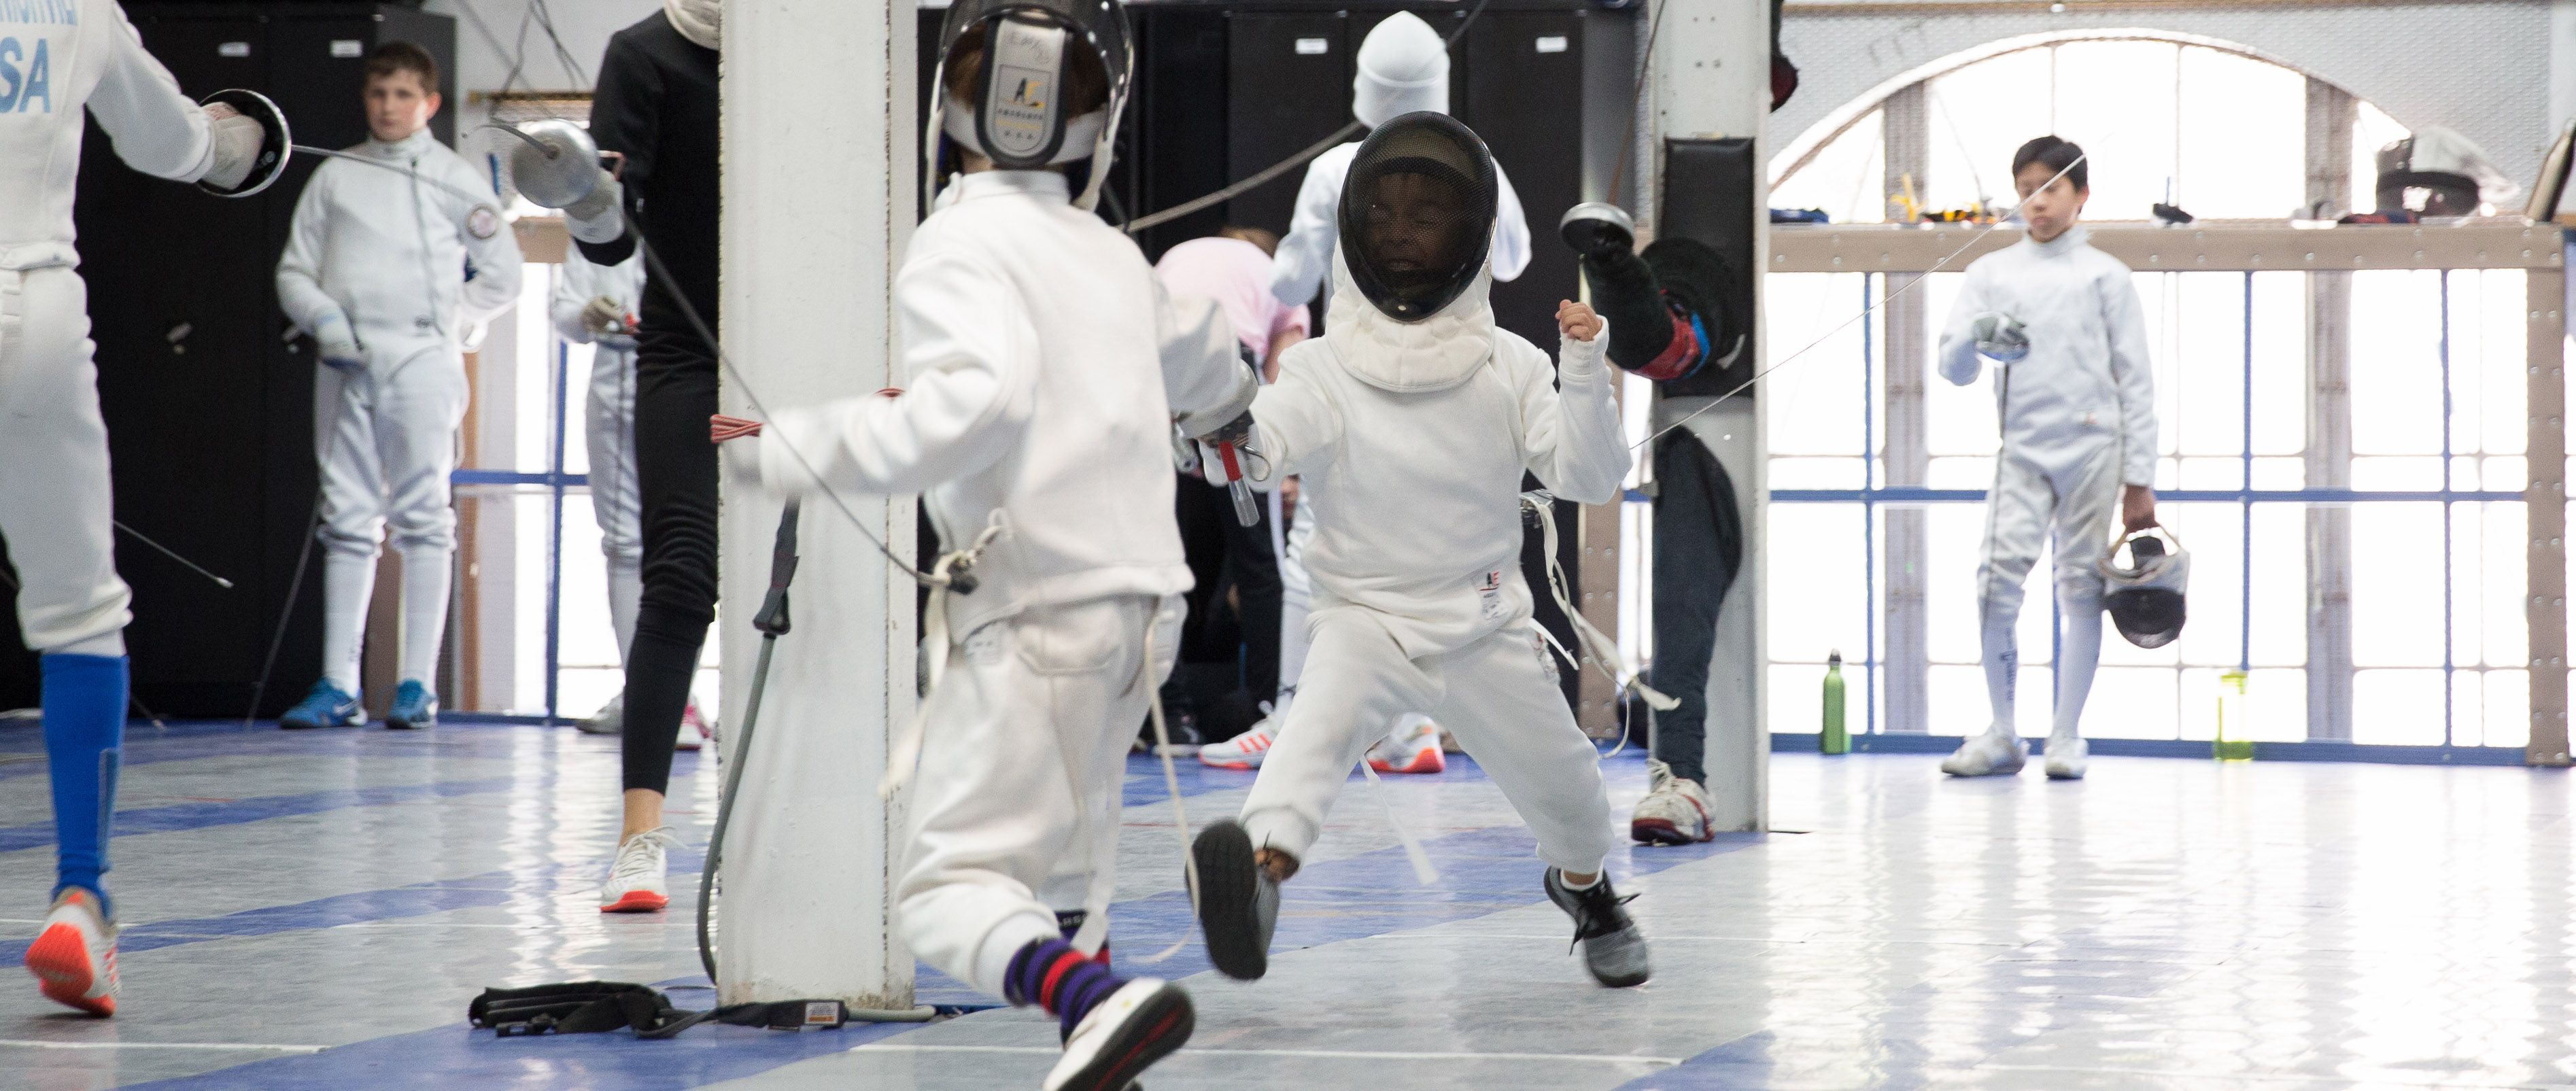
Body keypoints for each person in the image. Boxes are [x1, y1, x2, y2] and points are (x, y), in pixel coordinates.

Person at [717, 3, 1247, 1086]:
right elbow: (1207, 361)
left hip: (1040, 610)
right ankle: (1102, 1037)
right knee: (1068, 863)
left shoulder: (956, 240)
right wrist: (1233, 408)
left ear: (947, 114)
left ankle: (1095, 1002)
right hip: (1142, 613)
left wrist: (796, 447)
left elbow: (980, 404)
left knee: (946, 890)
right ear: (1095, 128)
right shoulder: (1109, 253)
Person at [1189, 113, 1650, 991]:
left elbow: (1590, 477)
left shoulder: (1513, 365)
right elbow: (1260, 447)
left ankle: (1586, 888)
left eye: (1426, 215)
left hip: (1484, 624)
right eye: (1385, 213)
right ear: (1355, 227)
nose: (1401, 231)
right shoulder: (1321, 368)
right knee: (1307, 744)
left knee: (1572, 797)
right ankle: (1255, 876)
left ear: (1468, 232)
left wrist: (1586, 371)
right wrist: (1221, 422)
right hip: (1363, 621)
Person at [8, 0, 282, 1016]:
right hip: (29, 305)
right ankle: (82, 896)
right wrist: (245, 139)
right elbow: (178, 146)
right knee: (78, 609)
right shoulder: (76, 9)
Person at [275, 42, 523, 732]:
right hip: (346, 360)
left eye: (403, 95)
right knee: (348, 518)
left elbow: (503, 275)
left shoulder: (454, 179)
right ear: (366, 98)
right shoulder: (336, 175)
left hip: (422, 358)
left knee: (423, 517)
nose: (389, 108)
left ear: (430, 103)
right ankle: (338, 684)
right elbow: (294, 270)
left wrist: (450, 323)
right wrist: (326, 320)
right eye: (379, 94)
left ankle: (417, 684)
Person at [1934, 136, 2158, 780]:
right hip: (2021, 450)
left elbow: (2136, 381)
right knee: (1993, 584)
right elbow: (1953, 370)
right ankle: (2002, 733)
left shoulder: (2105, 276)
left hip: (2093, 447)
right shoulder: (1989, 273)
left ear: (2080, 195)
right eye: (2026, 189)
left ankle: (2065, 736)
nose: (2037, 202)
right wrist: (1974, 334)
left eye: (2050, 188)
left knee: (2080, 587)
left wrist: (2139, 480)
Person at [577, 0, 721, 912]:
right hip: (687, 359)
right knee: (680, 573)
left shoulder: (831, 47)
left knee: (829, 587)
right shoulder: (645, 54)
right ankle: (640, 840)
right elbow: (612, 233)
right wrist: (581, 192)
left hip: (815, 351)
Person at [1558, 203, 1752, 844]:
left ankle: (1684, 777)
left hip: (1727, 460)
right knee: (1678, 613)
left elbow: (1665, 347)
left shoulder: (1710, 329)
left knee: (1681, 609)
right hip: (1687, 451)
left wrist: (1610, 268)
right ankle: (1679, 778)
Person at [1152, 230, 1304, 750]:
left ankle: (1169, 717)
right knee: (1259, 559)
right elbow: (1284, 374)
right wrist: (1281, 470)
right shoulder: (1283, 275)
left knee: (1160, 554)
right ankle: (1268, 709)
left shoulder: (1178, 253)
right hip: (1225, 362)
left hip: (1152, 366)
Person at [552, 249, 710, 750]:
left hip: (686, 373)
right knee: (623, 542)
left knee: (687, 537)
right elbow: (563, 310)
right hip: (615, 374)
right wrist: (585, 314)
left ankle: (678, 697)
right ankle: (644, 691)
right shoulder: (596, 221)